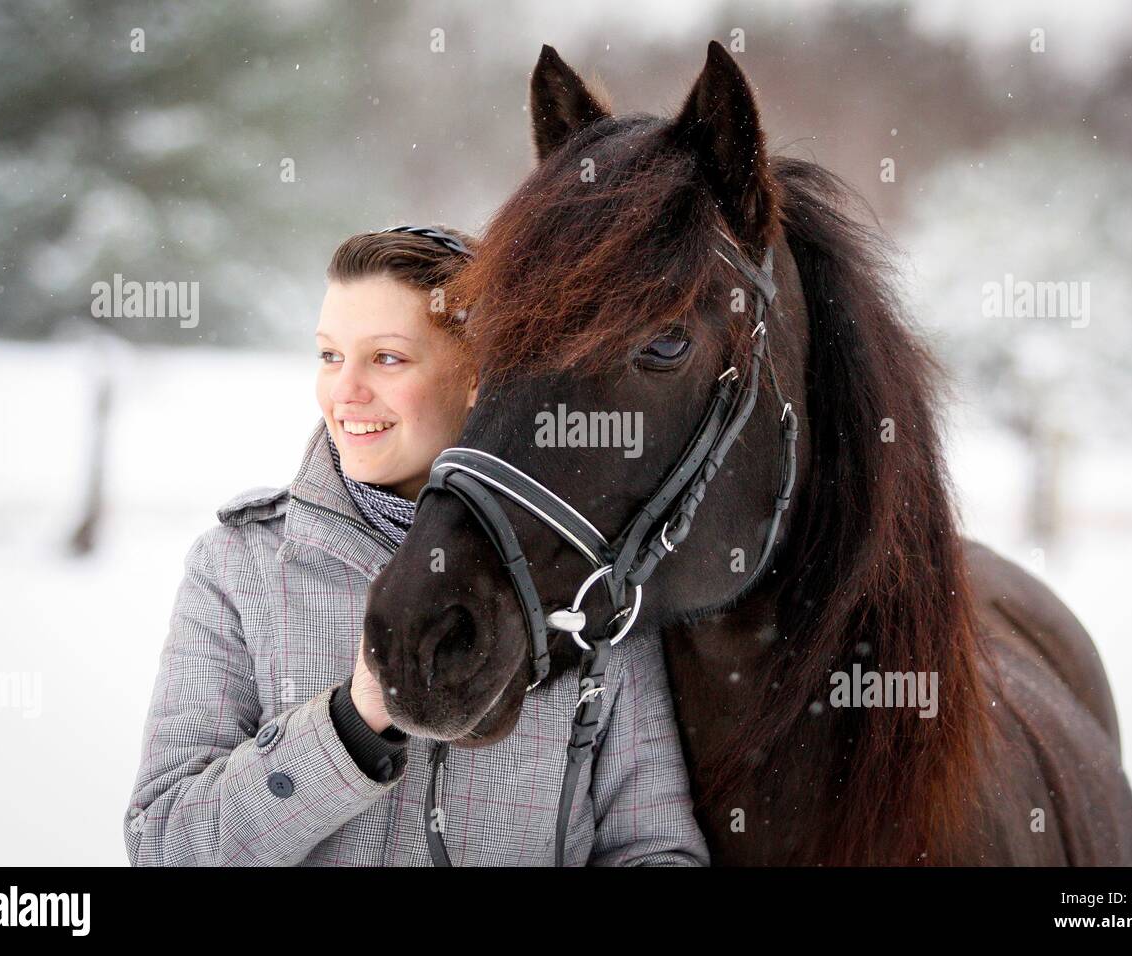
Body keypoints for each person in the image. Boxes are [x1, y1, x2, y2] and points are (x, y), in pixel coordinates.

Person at [122, 225, 709, 866]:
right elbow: (165, 849)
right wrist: (352, 722)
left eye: (387, 358)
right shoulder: (242, 566)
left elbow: (655, 850)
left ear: (482, 378)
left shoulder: (589, 574)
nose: (344, 390)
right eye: (329, 355)